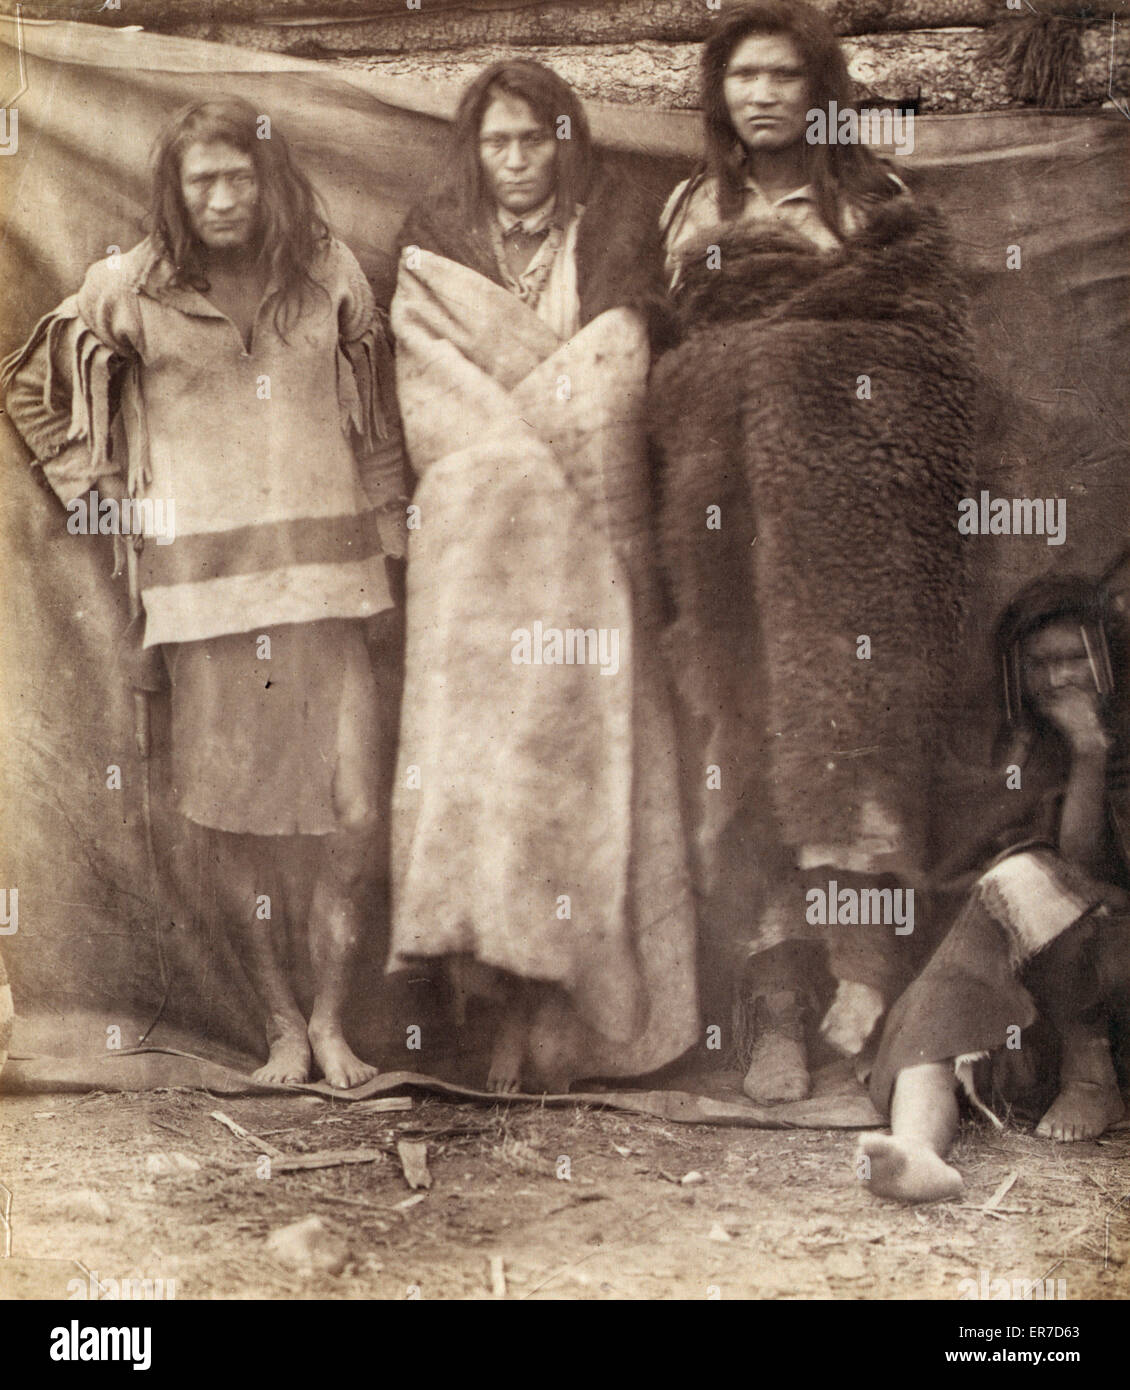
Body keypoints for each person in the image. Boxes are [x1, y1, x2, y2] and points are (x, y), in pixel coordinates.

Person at [3, 98, 407, 1088]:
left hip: (330, 589)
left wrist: (393, 547)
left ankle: (332, 1022)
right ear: (177, 192)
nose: (223, 197)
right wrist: (104, 504)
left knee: (353, 817)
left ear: (270, 180)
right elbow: (28, 385)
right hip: (204, 600)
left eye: (240, 177)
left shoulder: (330, 275)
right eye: (203, 180)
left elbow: (380, 421)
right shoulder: (127, 287)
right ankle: (278, 1026)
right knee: (235, 825)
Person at [651, 0, 976, 1105]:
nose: (762, 94)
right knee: (748, 760)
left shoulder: (872, 201)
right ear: (720, 94)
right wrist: (739, 361)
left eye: (784, 75)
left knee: (850, 754)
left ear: (817, 90)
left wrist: (796, 360)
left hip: (848, 542)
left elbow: (925, 352)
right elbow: (683, 352)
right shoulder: (693, 206)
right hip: (729, 528)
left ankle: (869, 977)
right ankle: (777, 1013)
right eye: (742, 76)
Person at [386, 60, 699, 1093]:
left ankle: (585, 1020)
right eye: (496, 142)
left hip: (599, 560)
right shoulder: (435, 251)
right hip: (480, 566)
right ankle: (489, 1007)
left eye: (534, 140)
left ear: (566, 143)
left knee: (595, 762)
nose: (515, 162)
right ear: (473, 151)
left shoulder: (617, 239)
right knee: (482, 763)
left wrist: (561, 417)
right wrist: (525, 459)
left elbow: (617, 378)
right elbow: (437, 400)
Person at [858, 574, 1129, 1202]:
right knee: (950, 997)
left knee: (1022, 882)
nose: (1058, 678)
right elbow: (1053, 878)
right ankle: (918, 1150)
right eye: (1040, 663)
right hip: (1036, 976)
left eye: (1073, 659)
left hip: (1112, 972)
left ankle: (1095, 1074)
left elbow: (1081, 872)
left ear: (1107, 656)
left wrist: (1092, 750)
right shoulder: (1018, 748)